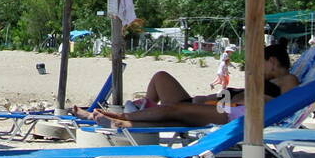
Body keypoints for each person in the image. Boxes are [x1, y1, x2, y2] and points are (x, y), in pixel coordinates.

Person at [76, 43, 298, 128]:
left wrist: (237, 98)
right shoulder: (267, 83)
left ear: (272, 61)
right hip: (222, 108)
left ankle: (123, 118)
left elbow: (282, 106)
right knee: (163, 83)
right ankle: (124, 119)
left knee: (175, 111)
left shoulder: (288, 80)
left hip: (236, 114)